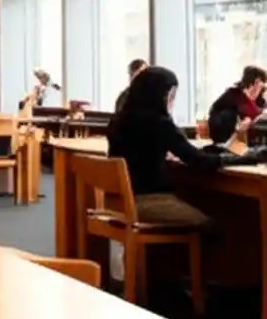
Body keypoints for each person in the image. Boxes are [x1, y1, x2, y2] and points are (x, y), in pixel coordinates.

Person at [107, 66, 256, 226]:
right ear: (161, 95)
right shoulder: (159, 123)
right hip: (148, 201)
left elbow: (144, 149)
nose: (172, 102)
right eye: (171, 96)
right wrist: (245, 158)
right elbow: (198, 160)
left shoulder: (117, 121)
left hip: (120, 201)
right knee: (214, 225)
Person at [208, 66, 267, 141]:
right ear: (249, 82)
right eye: (256, 82)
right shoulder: (233, 94)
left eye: (260, 82)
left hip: (257, 137)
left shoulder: (261, 100)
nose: (257, 86)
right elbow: (215, 110)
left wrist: (251, 120)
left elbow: (262, 115)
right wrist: (237, 123)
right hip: (234, 136)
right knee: (228, 113)